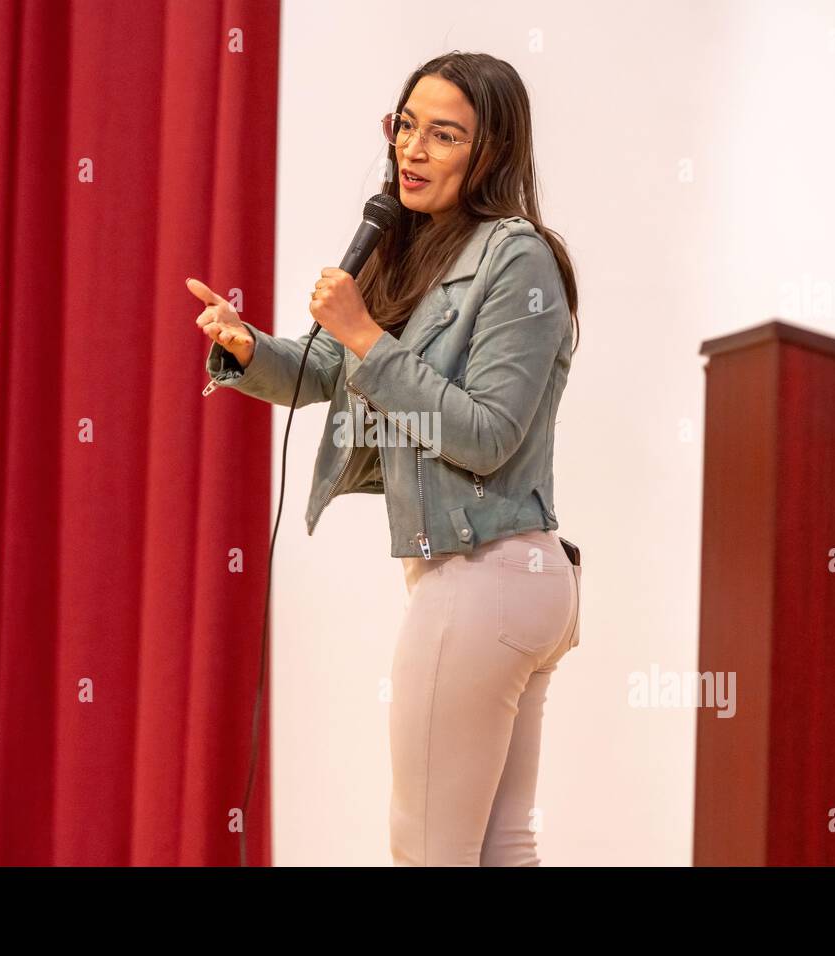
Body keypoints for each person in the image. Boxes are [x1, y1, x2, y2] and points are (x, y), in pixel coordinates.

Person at [188, 51, 581, 866]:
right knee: (501, 849)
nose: (413, 149)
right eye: (406, 126)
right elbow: (321, 371)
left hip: (490, 572)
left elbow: (486, 434)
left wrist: (365, 331)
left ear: (490, 153)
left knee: (428, 852)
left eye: (444, 135)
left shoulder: (518, 258)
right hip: (506, 584)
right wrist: (243, 345)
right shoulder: (405, 243)